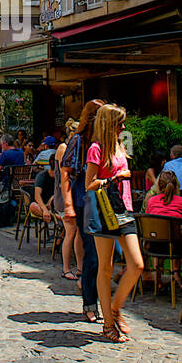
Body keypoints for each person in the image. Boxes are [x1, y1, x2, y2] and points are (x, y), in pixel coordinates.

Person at [83, 103, 144, 343]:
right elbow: (89, 183)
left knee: (137, 264)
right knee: (105, 267)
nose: (124, 127)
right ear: (110, 124)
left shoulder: (120, 145)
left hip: (124, 209)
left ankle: (116, 308)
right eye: (120, 123)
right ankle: (108, 322)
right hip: (103, 211)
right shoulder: (96, 149)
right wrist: (114, 178)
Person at [61, 102, 104, 323]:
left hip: (105, 203)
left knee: (109, 254)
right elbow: (66, 172)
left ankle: (99, 300)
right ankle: (90, 303)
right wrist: (68, 204)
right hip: (84, 201)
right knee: (93, 255)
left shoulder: (108, 140)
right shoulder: (79, 140)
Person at [51, 124, 82, 281]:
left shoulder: (72, 148)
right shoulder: (64, 148)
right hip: (64, 197)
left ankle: (80, 268)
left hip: (72, 195)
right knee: (70, 232)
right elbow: (66, 175)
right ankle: (66, 268)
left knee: (76, 233)